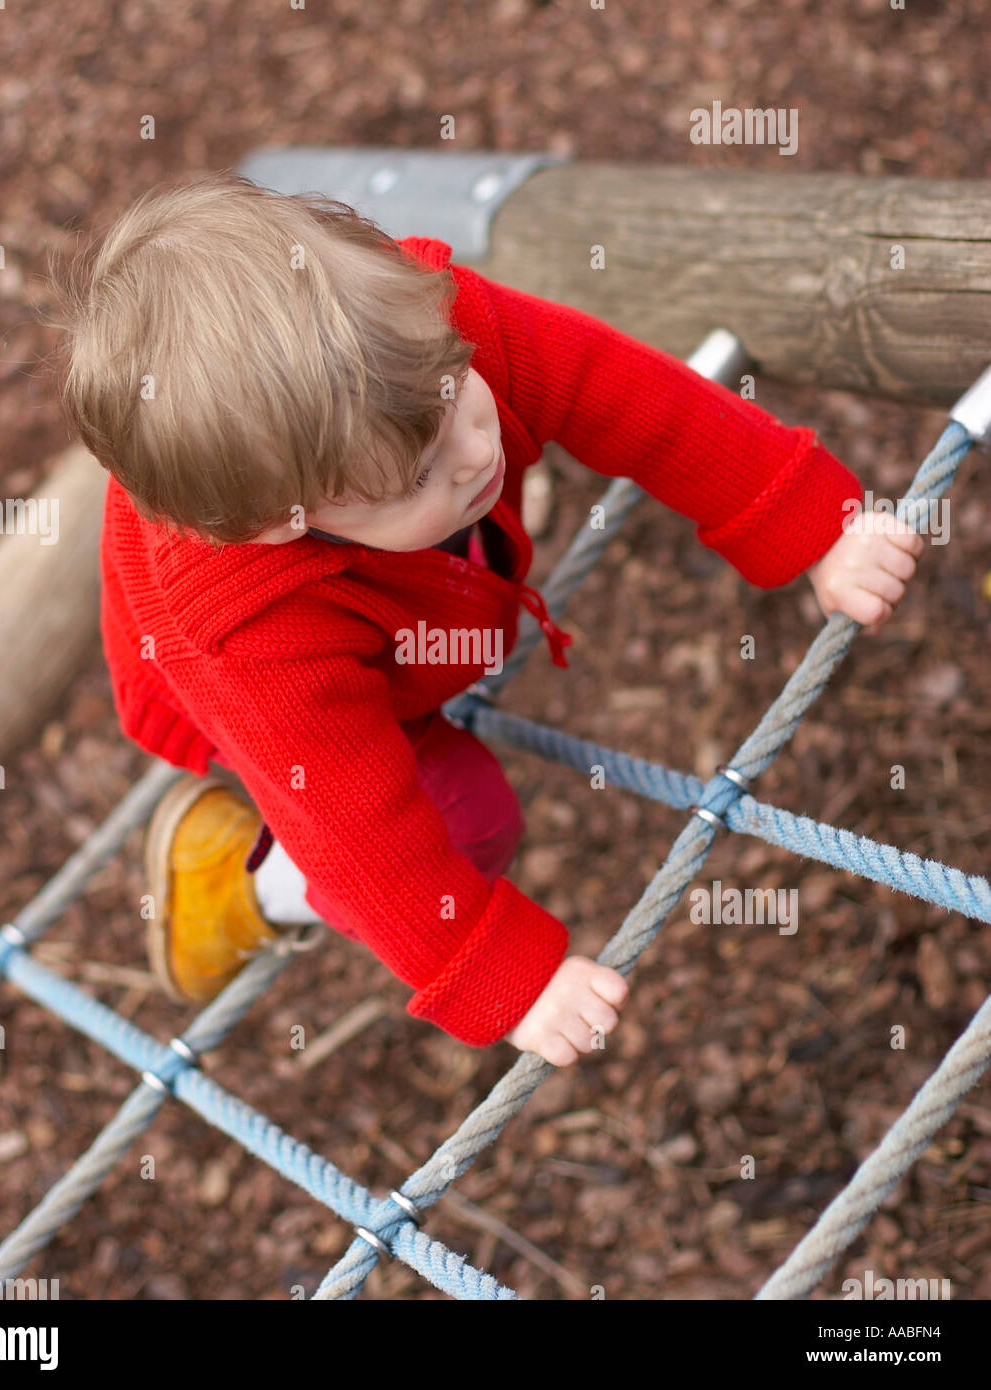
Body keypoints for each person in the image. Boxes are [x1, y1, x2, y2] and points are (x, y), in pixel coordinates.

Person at [48, 170, 923, 1068]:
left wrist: (813, 524)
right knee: (470, 823)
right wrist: (499, 974)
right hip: (272, 700)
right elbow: (362, 838)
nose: (477, 450)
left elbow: (623, 392)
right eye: (422, 475)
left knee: (469, 444)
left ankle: (432, 556)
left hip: (386, 590)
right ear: (285, 524)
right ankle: (233, 889)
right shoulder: (253, 637)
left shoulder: (416, 339)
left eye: (460, 395)